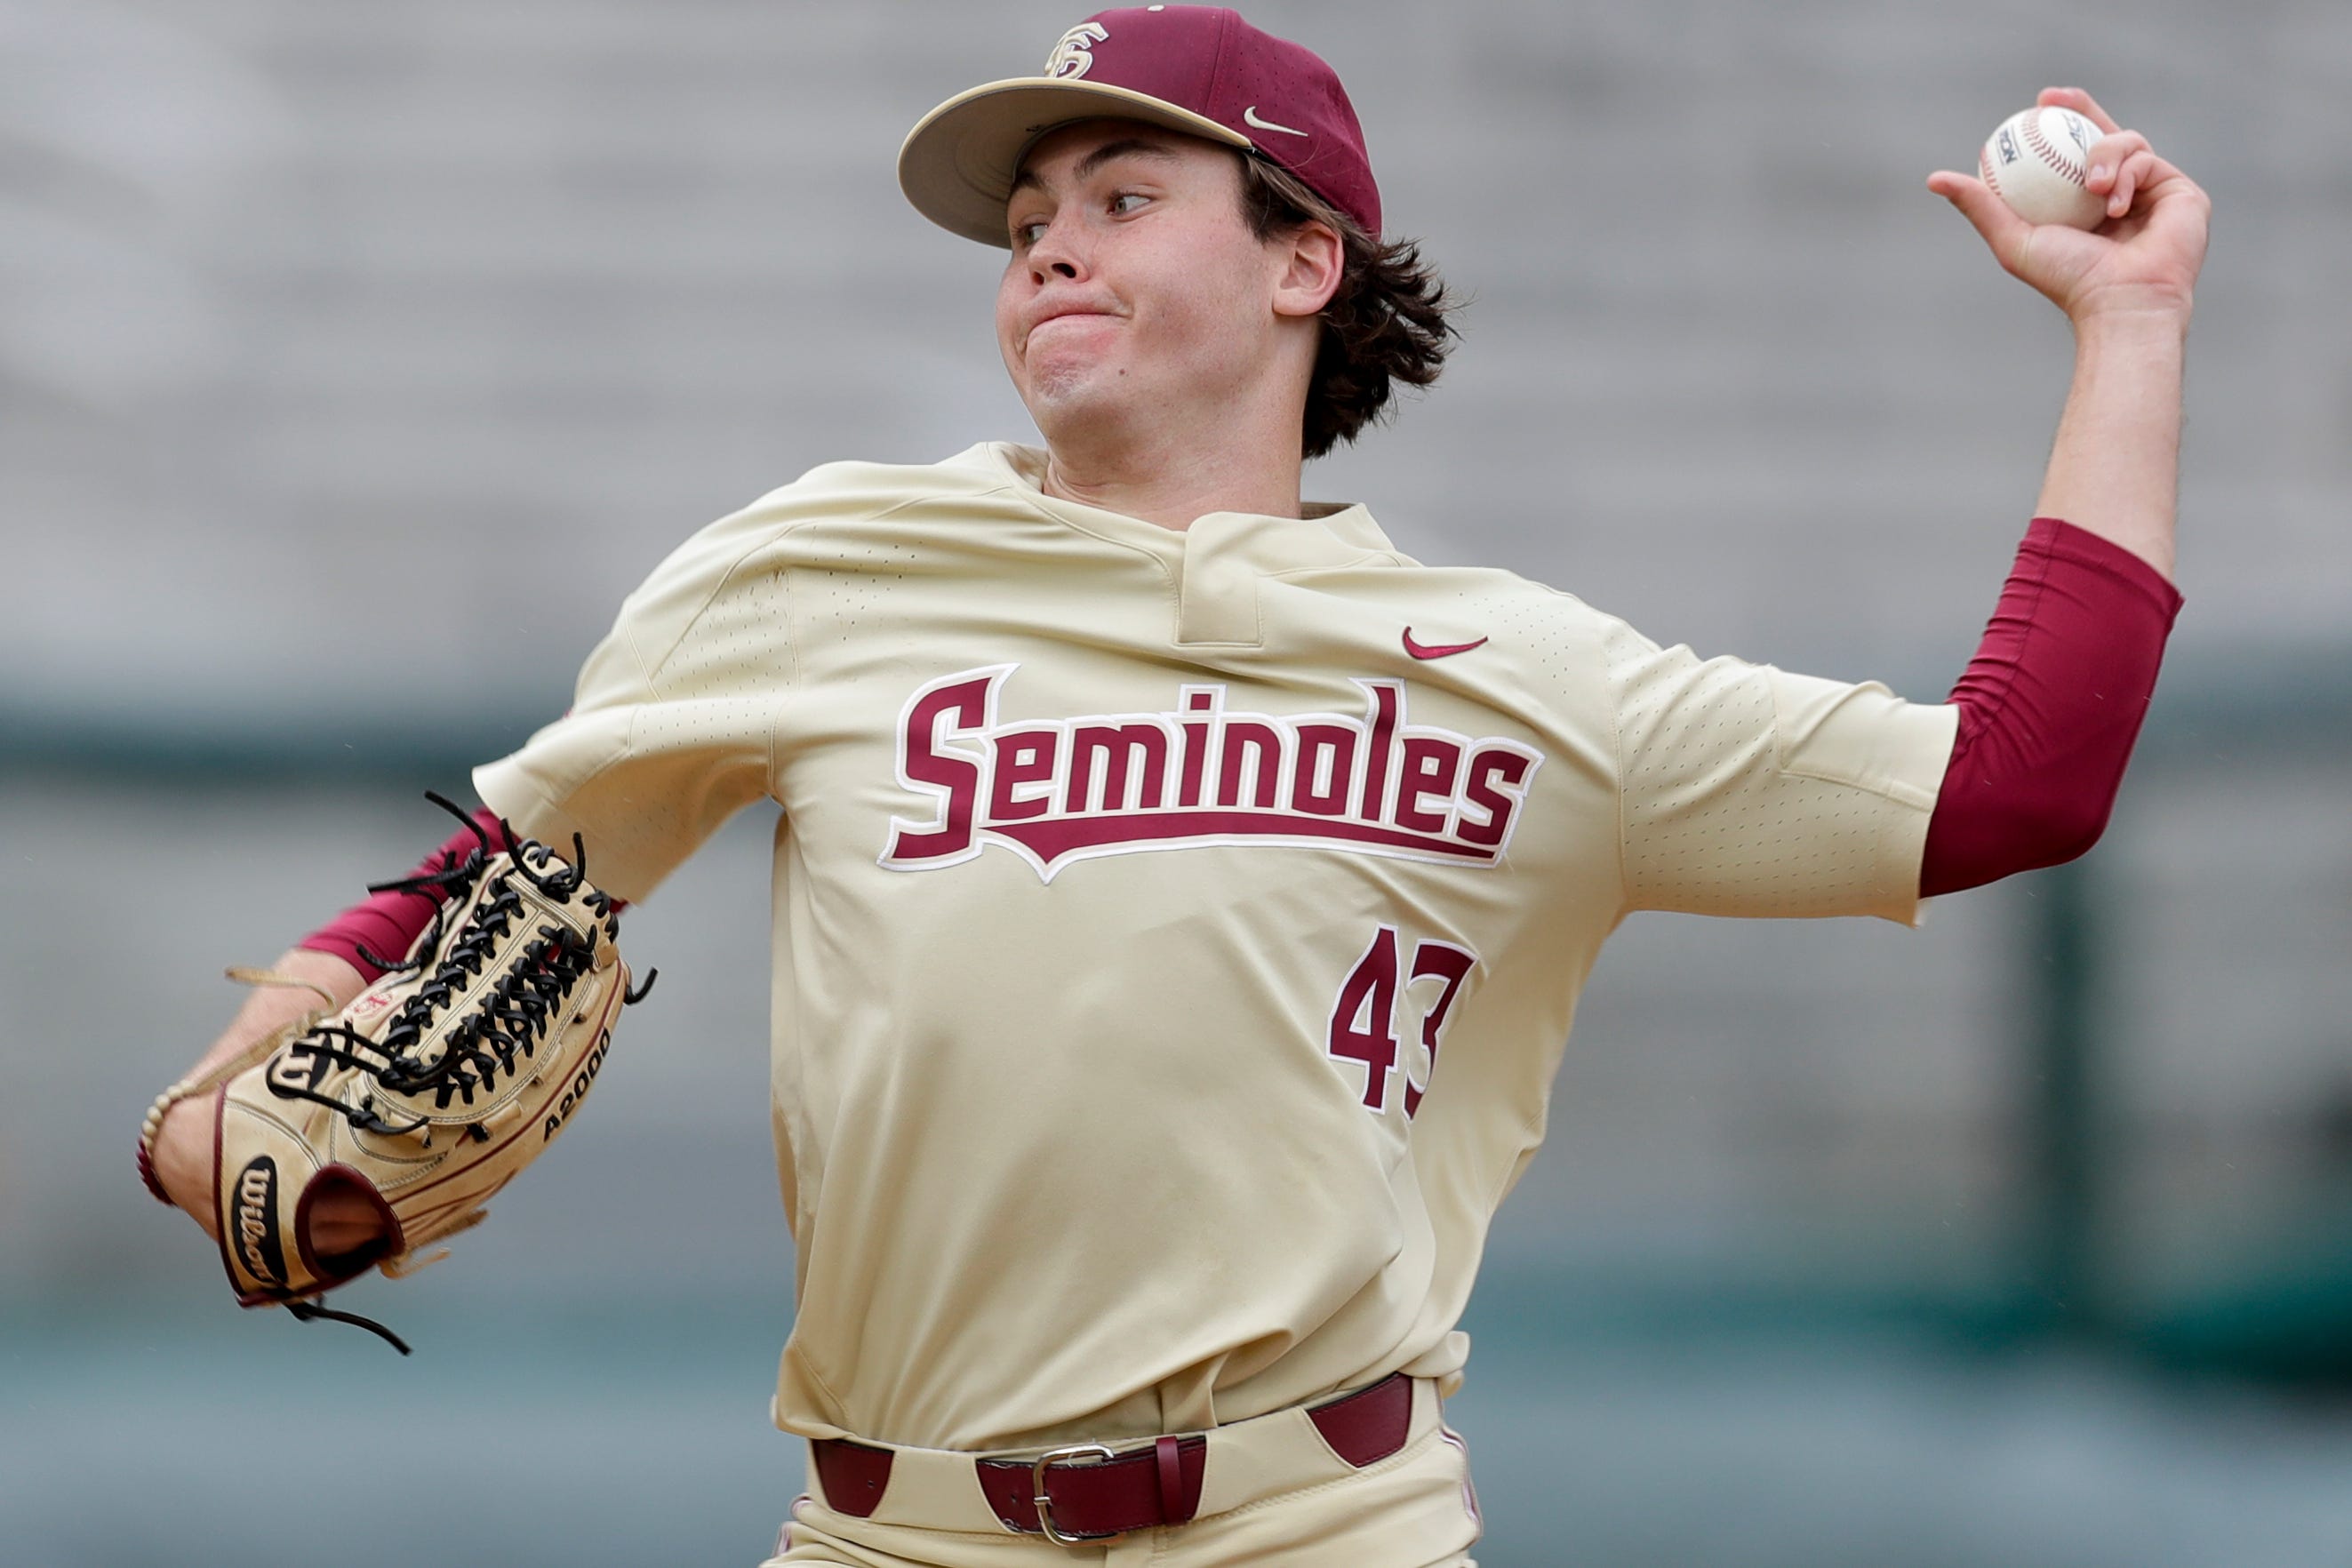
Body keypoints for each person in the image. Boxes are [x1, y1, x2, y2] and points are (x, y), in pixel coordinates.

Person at [145, 8, 2208, 1564]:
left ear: (1305, 262)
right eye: (1028, 224)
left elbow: (2020, 781)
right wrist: (225, 1098)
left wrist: (2127, 328)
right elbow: (506, 870)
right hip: (898, 1532)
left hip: (1323, 1524)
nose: (1047, 250)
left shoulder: (1525, 678)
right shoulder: (823, 565)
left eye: (1124, 202)